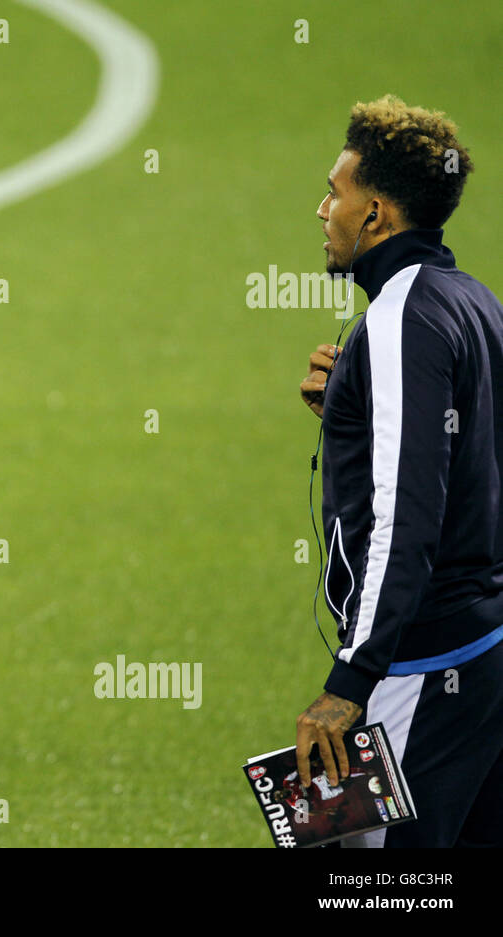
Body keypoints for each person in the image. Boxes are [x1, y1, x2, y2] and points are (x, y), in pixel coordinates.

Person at [294, 95, 503, 847]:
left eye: (336, 191)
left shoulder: (399, 320)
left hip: (421, 669)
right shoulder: (473, 301)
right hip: (483, 661)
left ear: (375, 214)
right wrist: (354, 409)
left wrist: (352, 681)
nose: (324, 209)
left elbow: (403, 515)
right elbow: (468, 454)